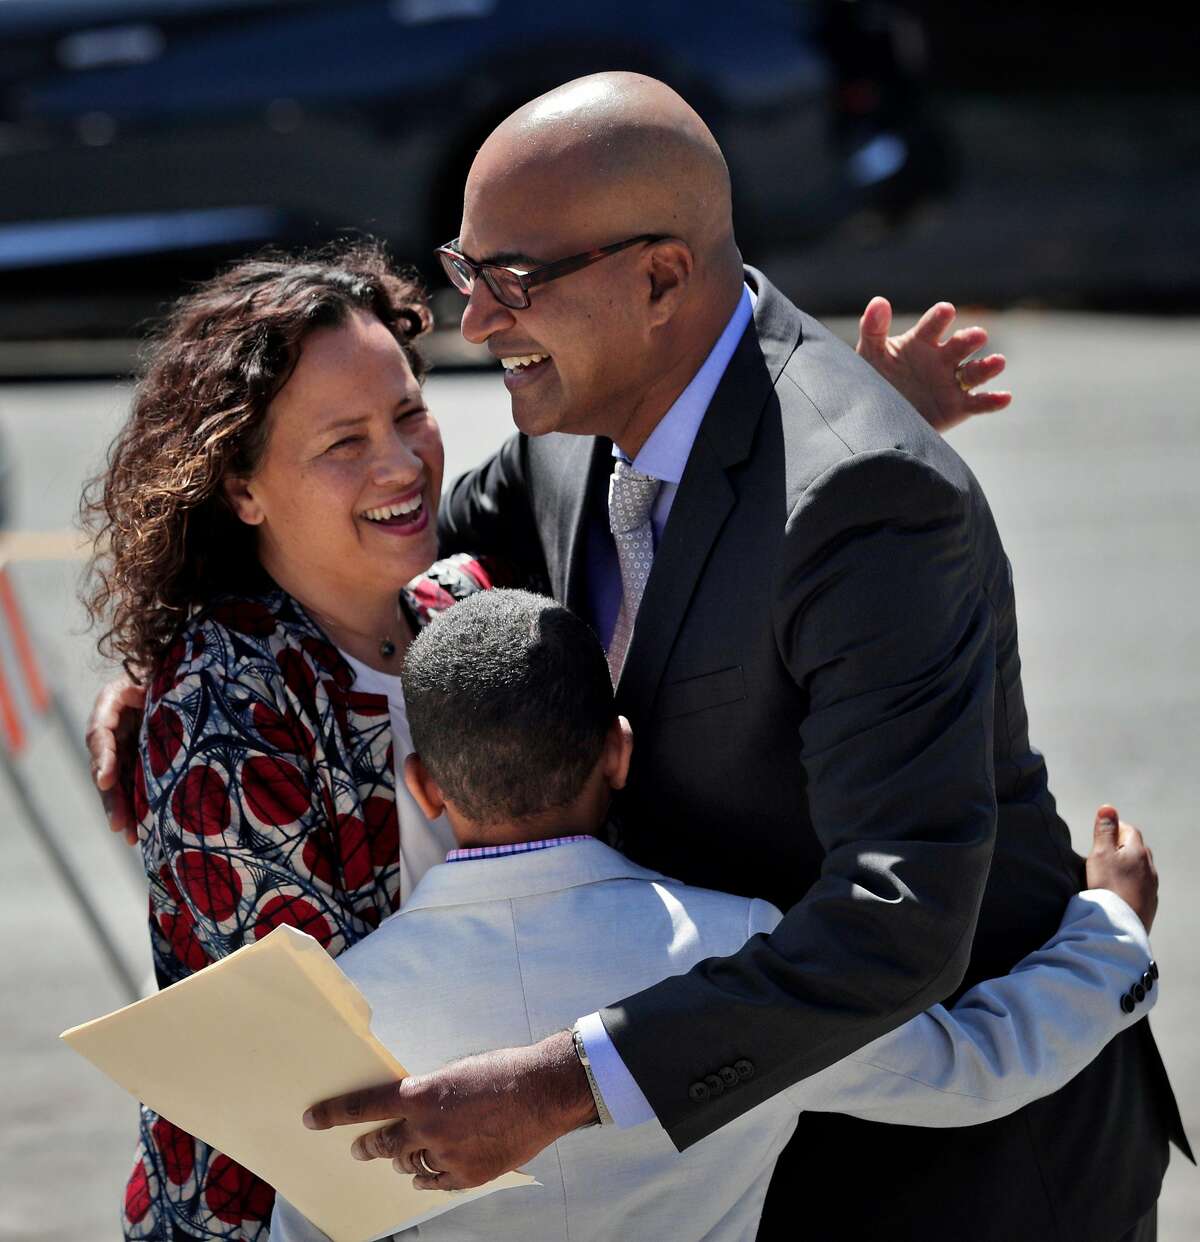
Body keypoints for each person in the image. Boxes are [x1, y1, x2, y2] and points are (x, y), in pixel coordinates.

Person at [296, 74, 1188, 1241]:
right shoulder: (579, 423)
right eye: (467, 273)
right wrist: (195, 655)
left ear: (661, 277)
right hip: (764, 1140)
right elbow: (382, 572)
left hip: (960, 1167)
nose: (477, 325)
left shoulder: (867, 501)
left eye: (513, 282)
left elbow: (896, 922)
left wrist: (560, 1087)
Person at [82, 240, 989, 1240]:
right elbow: (310, 1089)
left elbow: (692, 530)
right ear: (242, 489)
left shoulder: (463, 598)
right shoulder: (223, 717)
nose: (401, 463)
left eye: (409, 413)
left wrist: (849, 426)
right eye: (343, 441)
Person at [272, 589, 1161, 1242]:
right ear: (618, 754)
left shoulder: (349, 1002)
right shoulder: (740, 949)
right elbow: (974, 1069)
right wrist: (1109, 929)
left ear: (422, 785)